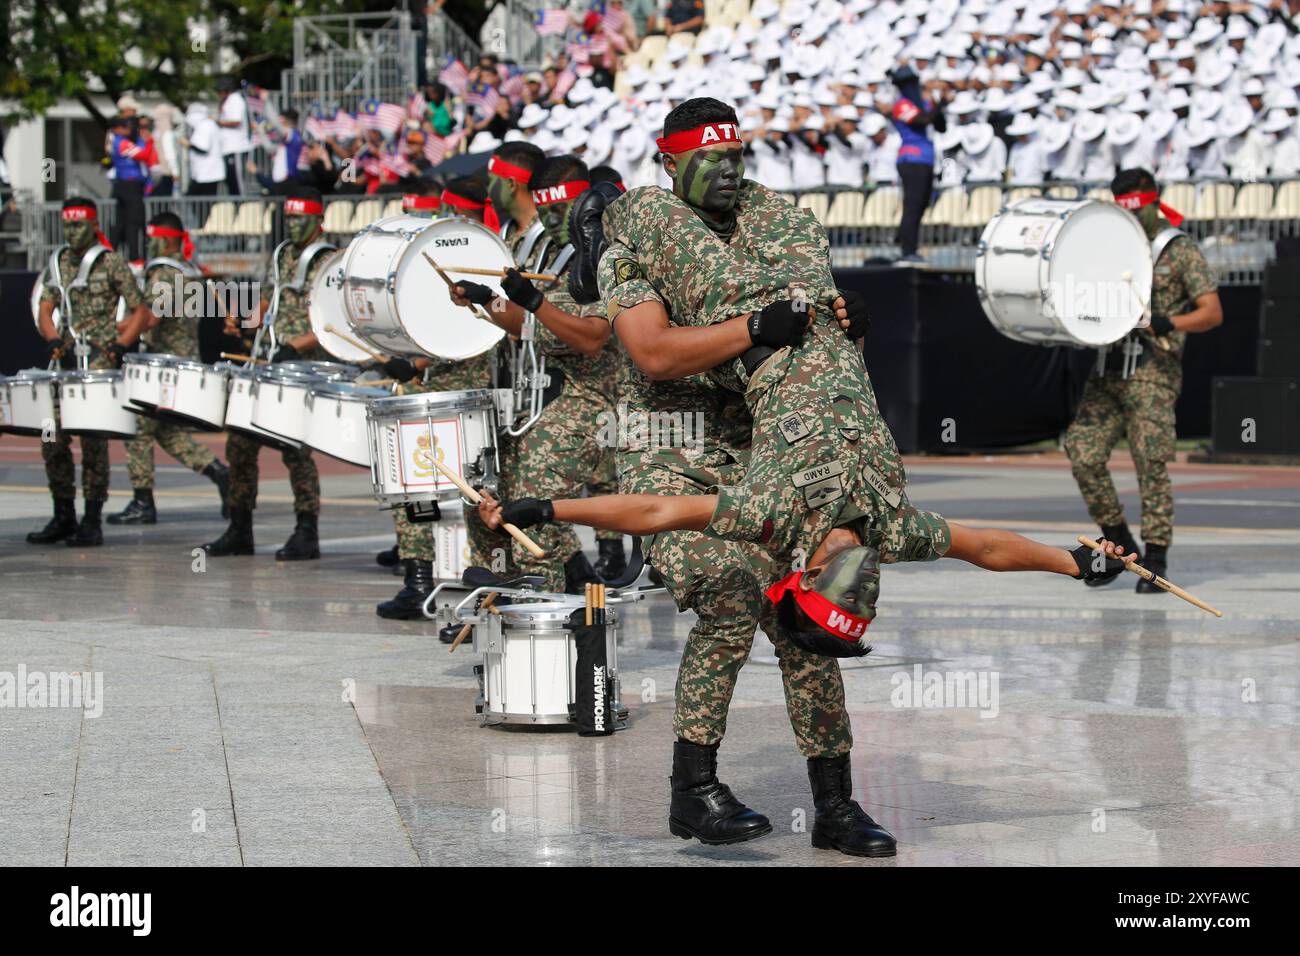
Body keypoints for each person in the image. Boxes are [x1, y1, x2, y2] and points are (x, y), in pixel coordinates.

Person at [376, 144, 547, 617]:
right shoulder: (507, 239)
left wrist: (422, 368)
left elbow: (486, 332)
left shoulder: (506, 246)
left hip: (494, 386)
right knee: (431, 483)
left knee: (491, 494)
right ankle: (431, 582)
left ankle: (524, 593)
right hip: (474, 380)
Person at [451, 154, 617, 594]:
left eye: (561, 212)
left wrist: (536, 303)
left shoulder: (604, 254)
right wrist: (487, 300)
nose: (555, 222)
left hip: (587, 399)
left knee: (530, 502)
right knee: (484, 494)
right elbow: (529, 326)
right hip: (539, 394)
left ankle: (542, 608)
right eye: (546, 214)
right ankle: (510, 593)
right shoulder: (556, 251)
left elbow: (591, 338)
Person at [1064, 168, 1222, 592]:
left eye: (1139, 208)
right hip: (1108, 368)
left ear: (1154, 202)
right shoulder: (1109, 247)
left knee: (1150, 463)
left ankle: (1156, 557)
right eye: (1125, 209)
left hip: (1154, 370)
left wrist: (1171, 322)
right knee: (1082, 452)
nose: (1134, 217)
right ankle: (1120, 543)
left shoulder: (1178, 248)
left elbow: (1212, 311)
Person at [201, 187, 337, 560]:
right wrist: (244, 321)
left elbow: (335, 318)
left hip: (304, 364)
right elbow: (268, 300)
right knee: (240, 441)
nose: (293, 224)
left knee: (295, 448)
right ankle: (240, 526)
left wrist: (298, 345)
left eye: (300, 217)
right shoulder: (282, 255)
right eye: (289, 217)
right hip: (267, 359)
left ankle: (306, 529)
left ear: (318, 220)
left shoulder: (330, 260)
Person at [29, 198, 150, 546]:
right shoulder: (59, 261)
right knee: (51, 437)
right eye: (67, 225)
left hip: (98, 363)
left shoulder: (109, 262)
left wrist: (119, 345)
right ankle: (63, 513)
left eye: (79, 225)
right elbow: (46, 306)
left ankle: (92, 520)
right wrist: (52, 338)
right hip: (65, 362)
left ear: (94, 224)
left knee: (93, 442)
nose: (72, 231)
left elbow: (141, 309)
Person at [108, 212, 232, 525]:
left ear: (166, 239)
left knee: (137, 428)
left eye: (154, 238)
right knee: (164, 432)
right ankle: (220, 474)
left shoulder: (164, 273)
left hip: (165, 365)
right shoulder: (187, 270)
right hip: (181, 360)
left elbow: (150, 318)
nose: (151, 244)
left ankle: (142, 501)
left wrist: (113, 334)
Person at [889, 65, 946, 263]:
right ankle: (907, 250)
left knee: (921, 205)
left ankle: (912, 248)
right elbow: (922, 121)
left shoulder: (922, 103)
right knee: (912, 206)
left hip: (926, 159)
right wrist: (940, 103)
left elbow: (941, 126)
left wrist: (938, 104)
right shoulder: (902, 105)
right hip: (911, 159)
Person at [106, 114, 155, 261]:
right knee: (134, 221)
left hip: (128, 185)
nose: (128, 129)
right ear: (116, 129)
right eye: (124, 126)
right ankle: (134, 257)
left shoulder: (123, 141)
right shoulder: (121, 143)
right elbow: (144, 155)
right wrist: (150, 141)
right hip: (129, 185)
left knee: (122, 222)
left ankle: (115, 253)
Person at [216, 78, 252, 196]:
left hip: (236, 147)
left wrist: (218, 122)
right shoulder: (227, 101)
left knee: (237, 181)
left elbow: (236, 122)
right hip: (228, 147)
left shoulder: (235, 100)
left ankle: (241, 203)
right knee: (230, 180)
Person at [182, 104, 226, 196]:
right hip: (207, 172)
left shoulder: (205, 126)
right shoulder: (208, 124)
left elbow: (202, 149)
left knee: (196, 199)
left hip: (207, 172)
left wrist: (187, 144)